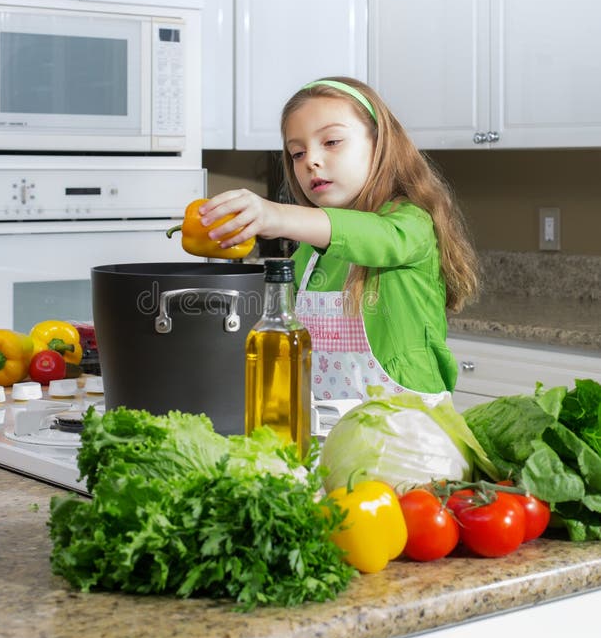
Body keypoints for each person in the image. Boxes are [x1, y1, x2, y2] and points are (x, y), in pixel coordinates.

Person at [198, 76, 479, 400]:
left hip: (408, 424)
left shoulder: (412, 224)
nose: (311, 161)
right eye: (297, 153)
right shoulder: (310, 253)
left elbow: (380, 238)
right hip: (329, 425)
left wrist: (276, 216)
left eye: (331, 142)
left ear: (380, 144)